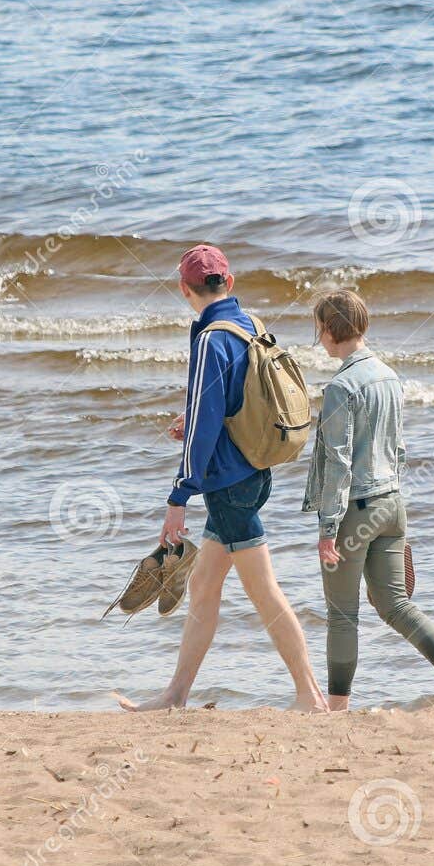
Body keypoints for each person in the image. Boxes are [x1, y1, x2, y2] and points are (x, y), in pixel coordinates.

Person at [119, 244, 327, 713]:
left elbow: (208, 423)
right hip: (254, 471)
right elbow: (231, 403)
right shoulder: (249, 324)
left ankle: (309, 696)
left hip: (228, 484)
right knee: (204, 586)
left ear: (184, 291)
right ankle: (176, 695)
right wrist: (190, 416)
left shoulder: (212, 338)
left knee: (263, 589)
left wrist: (179, 496)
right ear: (228, 283)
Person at [302, 289, 434, 711]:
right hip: (392, 504)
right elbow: (398, 449)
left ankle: (337, 708)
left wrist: (328, 529)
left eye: (319, 329)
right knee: (395, 604)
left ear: (328, 331)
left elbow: (339, 464)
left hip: (355, 511)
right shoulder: (389, 376)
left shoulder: (341, 386)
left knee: (343, 615)